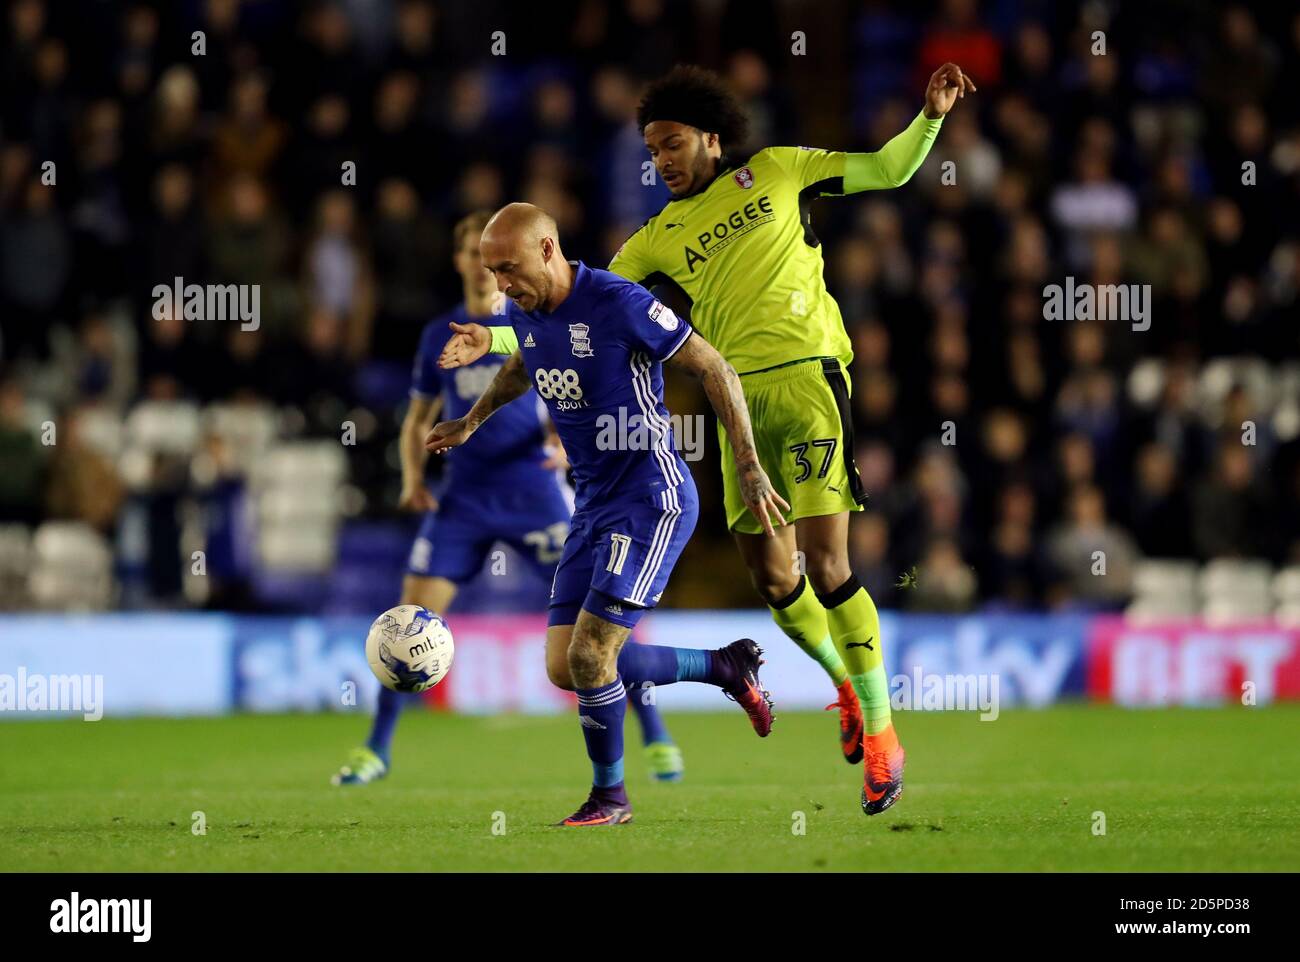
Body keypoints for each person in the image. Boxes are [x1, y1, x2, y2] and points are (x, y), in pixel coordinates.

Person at [439, 63, 977, 815]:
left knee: (826, 565)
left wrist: (931, 116)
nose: (661, 160)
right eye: (652, 150)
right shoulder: (656, 238)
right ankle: (844, 689)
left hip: (809, 382)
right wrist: (491, 341)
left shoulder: (781, 171)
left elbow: (888, 168)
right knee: (775, 582)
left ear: (712, 137)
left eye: (672, 143)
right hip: (737, 406)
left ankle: (884, 738)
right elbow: (569, 309)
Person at [428, 202, 787, 826]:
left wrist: (750, 463)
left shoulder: (618, 302)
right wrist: (470, 421)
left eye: (508, 269)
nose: (500, 285)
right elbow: (522, 366)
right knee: (565, 666)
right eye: (492, 272)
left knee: (593, 657)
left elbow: (714, 367)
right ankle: (725, 665)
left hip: (652, 497)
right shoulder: (526, 310)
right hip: (592, 503)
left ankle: (610, 798)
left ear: (547, 250)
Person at [332, 211, 684, 786]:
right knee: (405, 624)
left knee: (601, 622)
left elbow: (567, 383)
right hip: (464, 499)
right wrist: (412, 476)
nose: (482, 265)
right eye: (473, 253)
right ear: (460, 260)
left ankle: (656, 733)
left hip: (534, 490)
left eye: (491, 255)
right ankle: (376, 748)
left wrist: (562, 442)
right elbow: (418, 415)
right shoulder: (441, 331)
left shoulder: (540, 309)